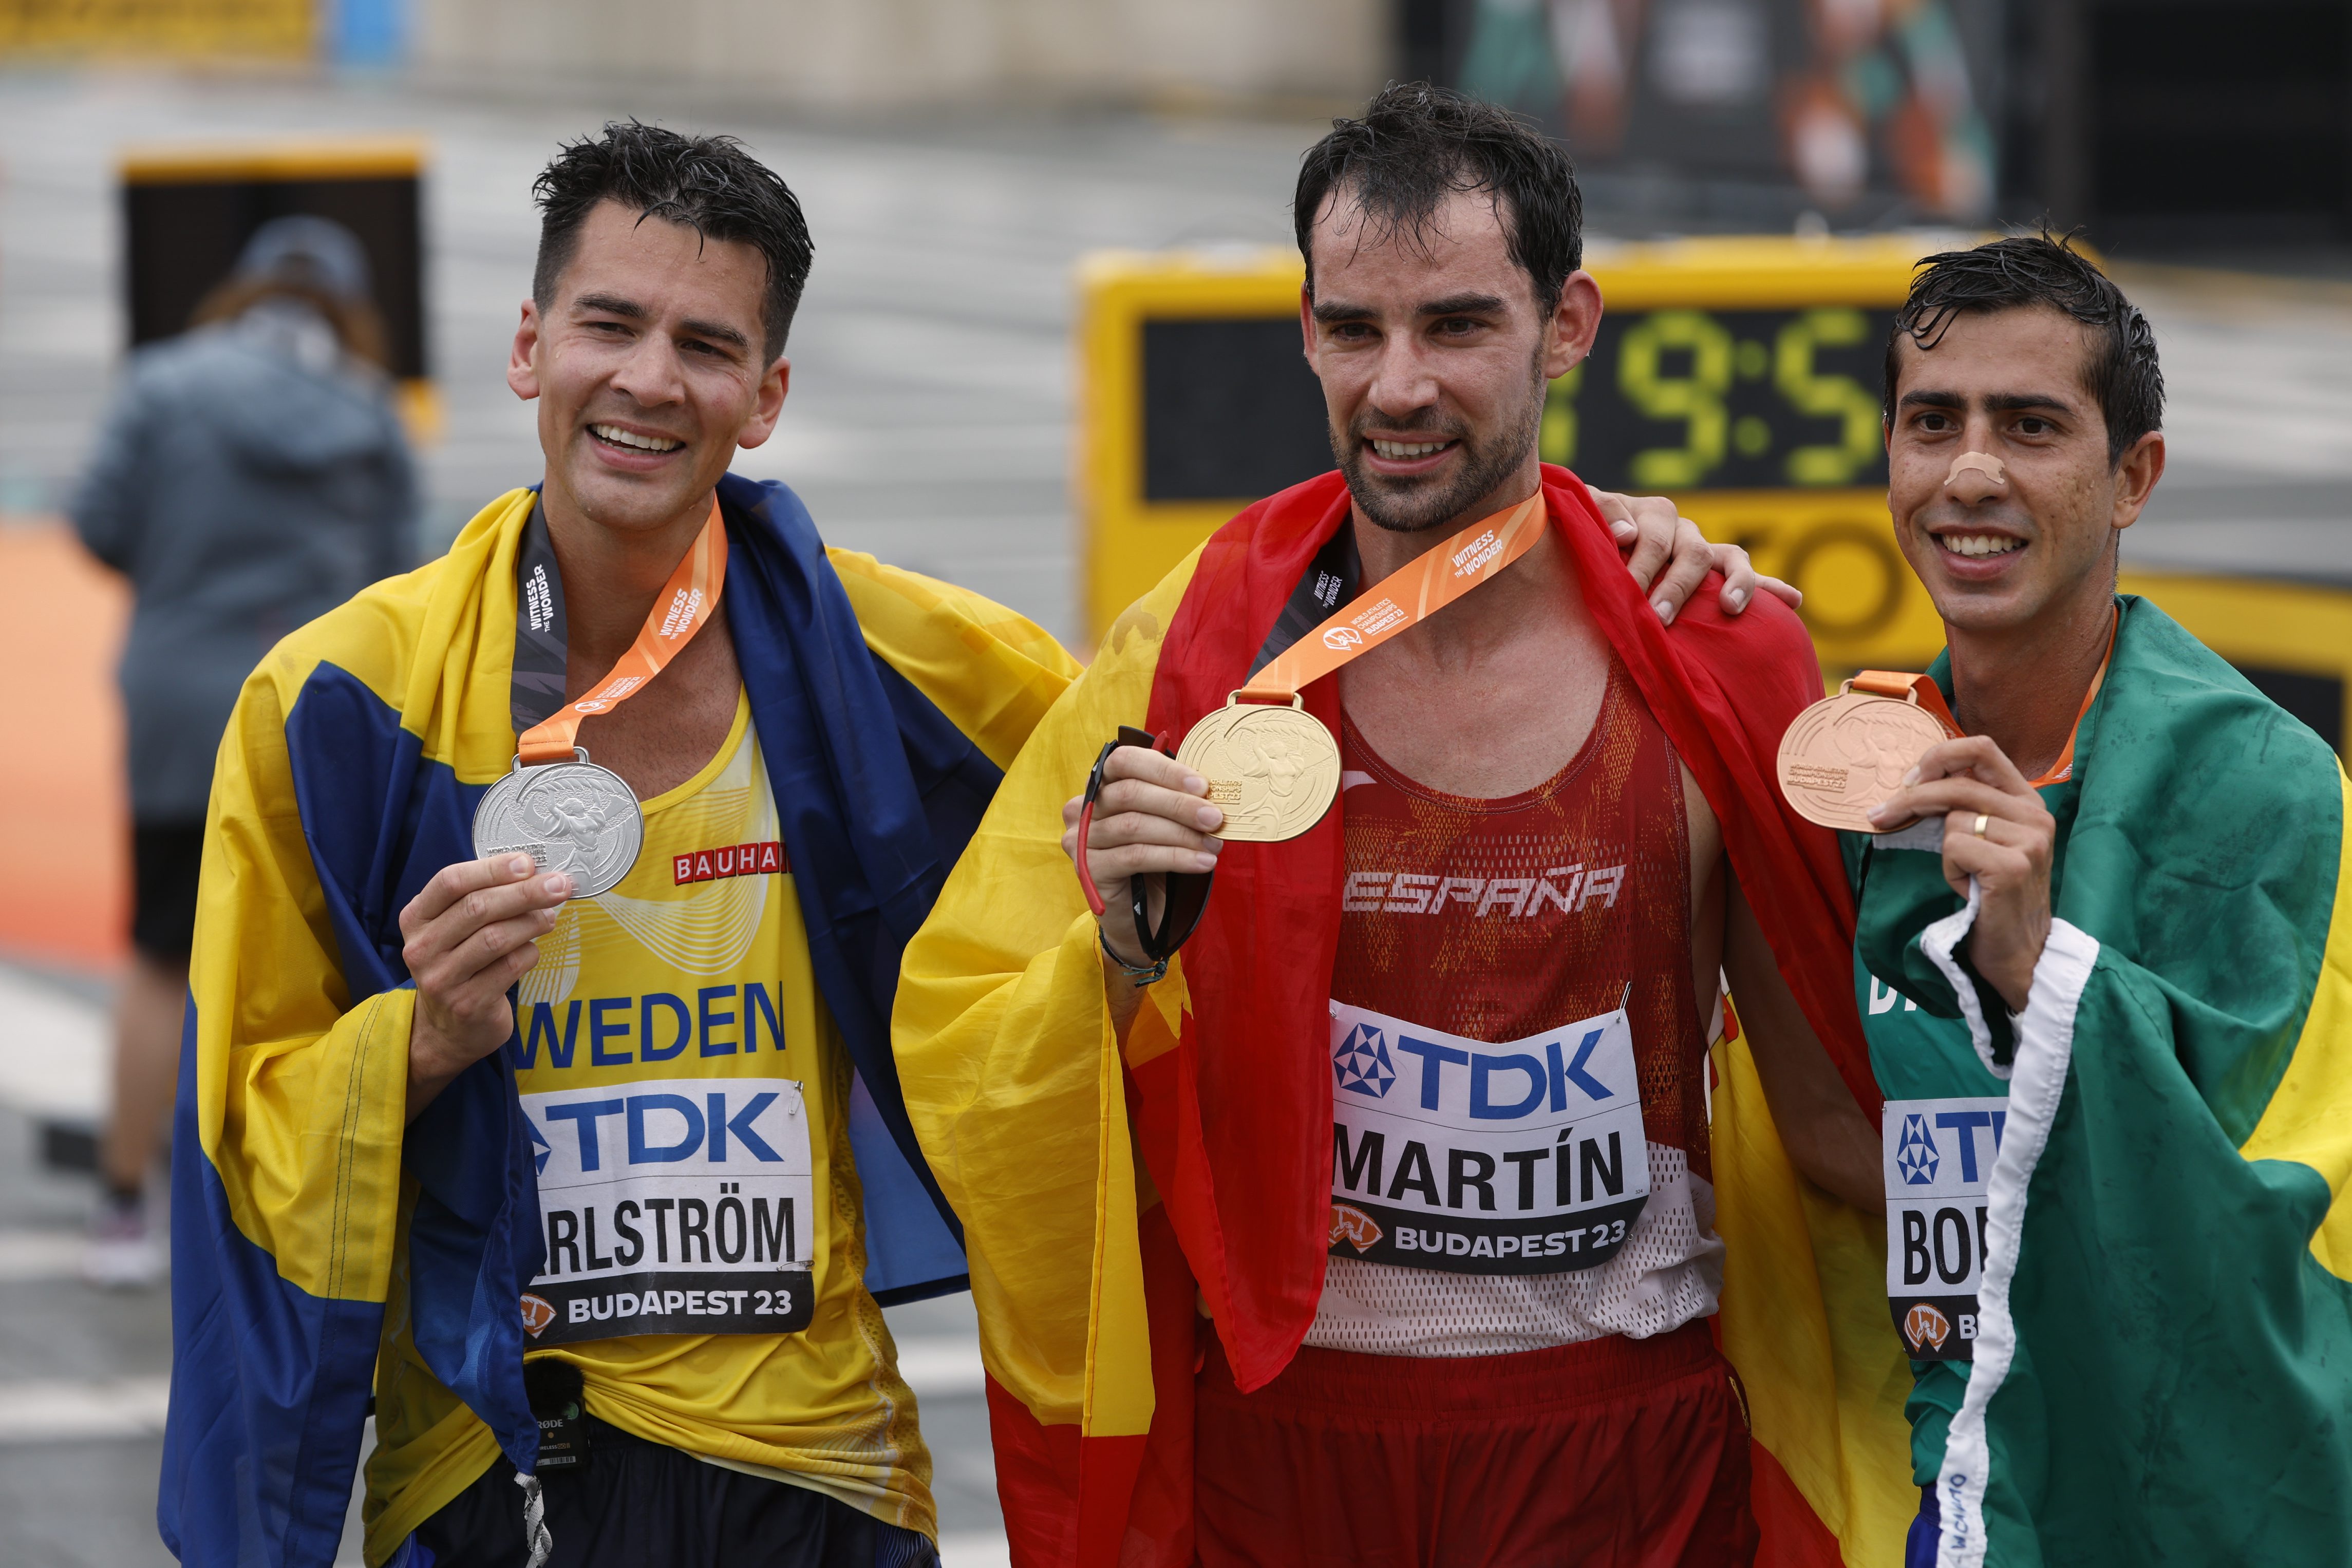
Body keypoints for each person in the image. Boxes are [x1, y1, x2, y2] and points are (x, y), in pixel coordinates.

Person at [150, 118, 1772, 1568]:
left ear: (767, 395)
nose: (651, 377)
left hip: (823, 1459)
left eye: (707, 344)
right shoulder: (343, 705)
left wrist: (1600, 540)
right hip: (508, 1455)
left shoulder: (915, 659)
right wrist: (421, 1041)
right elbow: (237, 1139)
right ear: (526, 344)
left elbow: (1155, 799)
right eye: (609, 325)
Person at [895, 84, 1909, 1566]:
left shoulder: (1711, 648)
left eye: (1454, 325)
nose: (1398, 385)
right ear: (1304, 329)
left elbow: (1829, 1115)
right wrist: (1111, 960)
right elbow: (968, 1033)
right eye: (1354, 329)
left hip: (1619, 1451)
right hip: (1285, 1453)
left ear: (1567, 324)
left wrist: (2114, 1198)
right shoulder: (1190, 647)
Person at [1846, 235, 2352, 1566]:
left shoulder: (2267, 788)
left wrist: (2041, 969)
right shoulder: (1856, 770)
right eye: (1929, 422)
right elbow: (1825, 1140)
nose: (1968, 472)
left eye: (2029, 427)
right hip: (1947, 1473)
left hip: (2162, 1499)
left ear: (2132, 476)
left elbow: (2268, 1205)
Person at [70, 215, 418, 1288]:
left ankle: (127, 1212)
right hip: (312, 716)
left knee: (160, 958)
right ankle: (293, 1206)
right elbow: (402, 588)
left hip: (177, 708)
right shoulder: (372, 412)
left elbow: (93, 522)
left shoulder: (164, 384)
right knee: (315, 964)